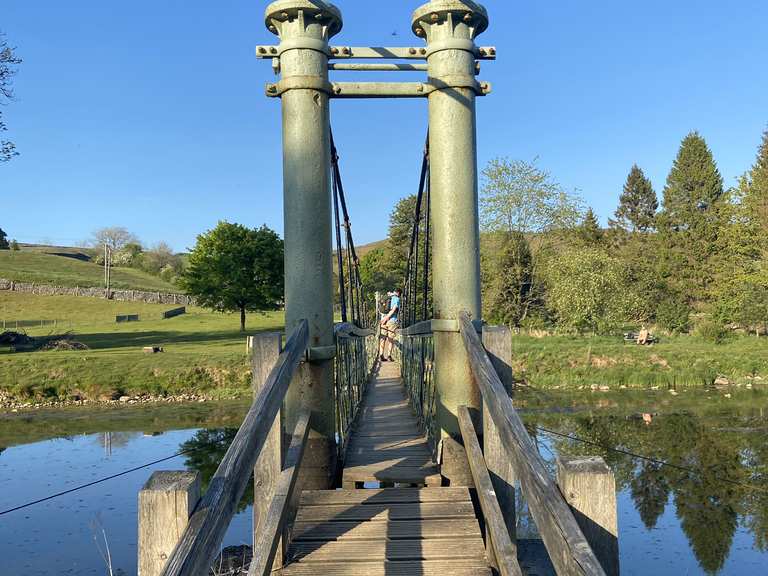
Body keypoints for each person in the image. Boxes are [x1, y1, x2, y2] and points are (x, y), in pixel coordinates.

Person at [378, 289, 401, 361]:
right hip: (392, 321)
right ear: (399, 293)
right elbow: (393, 310)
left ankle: (381, 354)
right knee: (391, 338)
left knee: (383, 337)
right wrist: (387, 318)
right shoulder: (396, 299)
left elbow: (380, 309)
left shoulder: (386, 297)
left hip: (383, 320)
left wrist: (383, 318)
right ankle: (389, 356)